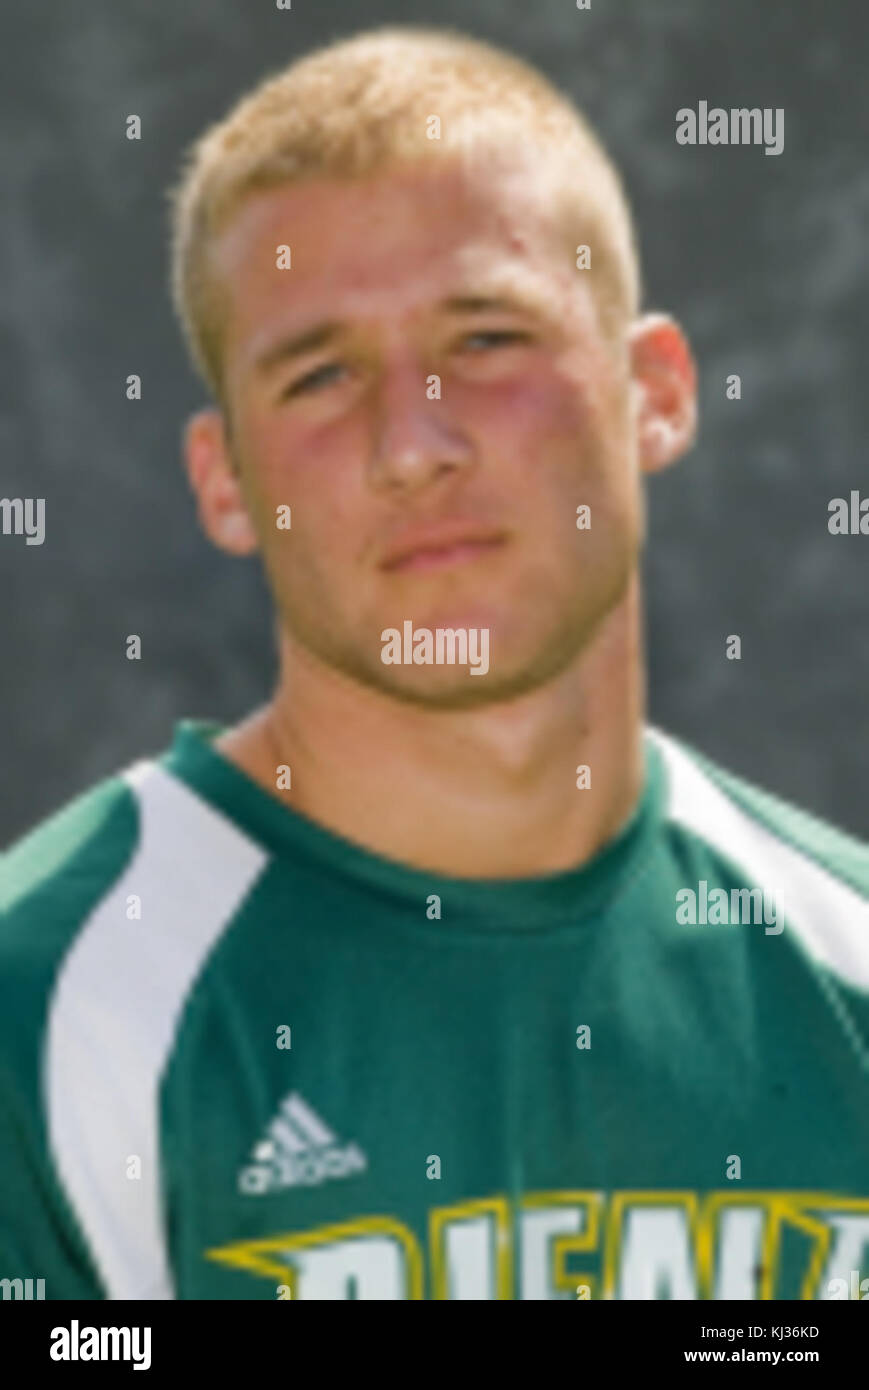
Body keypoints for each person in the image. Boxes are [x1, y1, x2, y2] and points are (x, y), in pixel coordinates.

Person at [2, 25, 868, 1303]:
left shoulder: (843, 963)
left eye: (485, 338)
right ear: (224, 481)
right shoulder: (47, 1013)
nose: (412, 444)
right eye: (319, 373)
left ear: (655, 395)